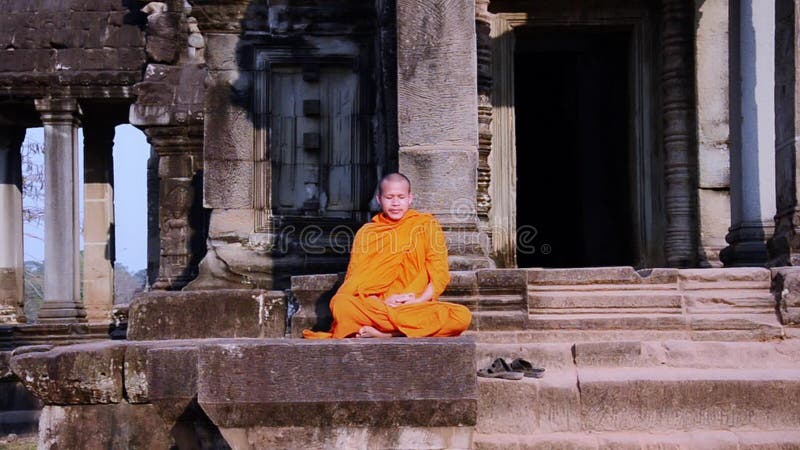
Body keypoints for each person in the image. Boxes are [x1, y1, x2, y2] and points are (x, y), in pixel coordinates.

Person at [303, 173, 471, 338]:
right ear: (379, 199)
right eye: (389, 197)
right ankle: (403, 330)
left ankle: (387, 333)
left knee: (460, 316)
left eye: (401, 197)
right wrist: (382, 302)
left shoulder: (427, 225)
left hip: (414, 305)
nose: (395, 203)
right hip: (378, 306)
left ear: (410, 198)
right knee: (340, 304)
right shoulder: (367, 233)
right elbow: (356, 279)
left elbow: (439, 275)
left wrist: (417, 301)